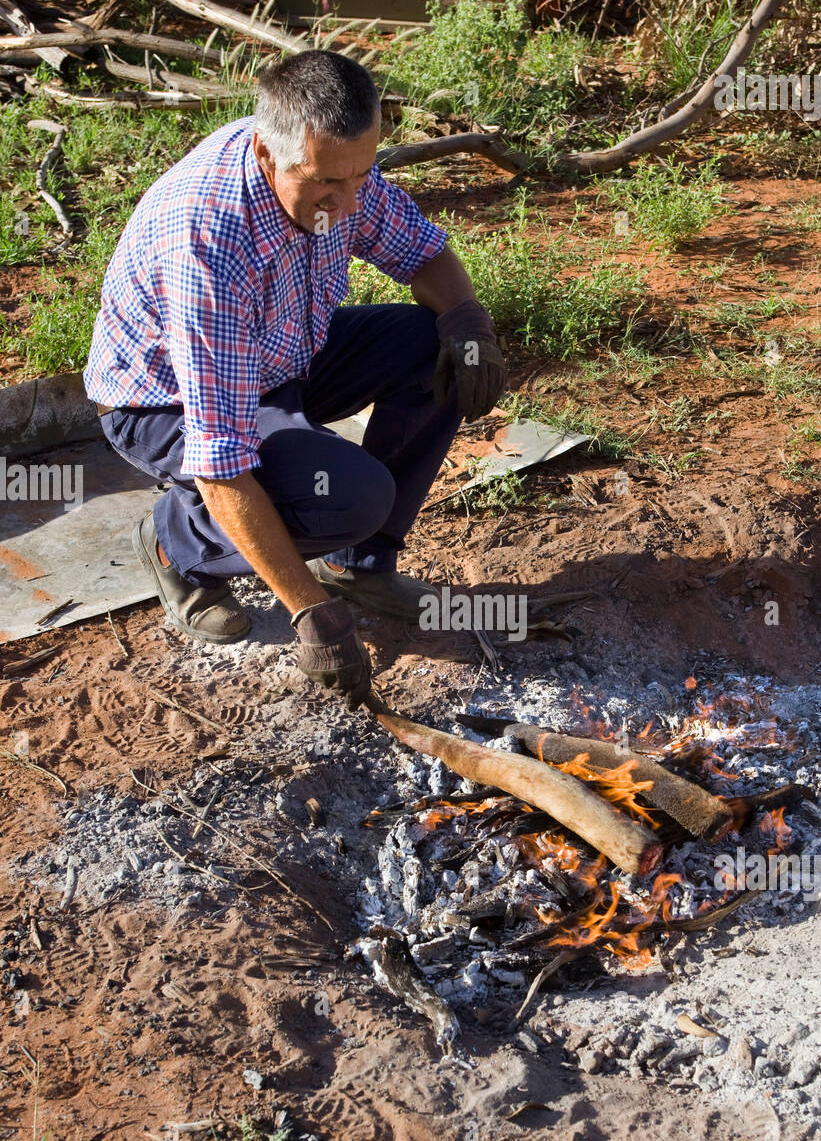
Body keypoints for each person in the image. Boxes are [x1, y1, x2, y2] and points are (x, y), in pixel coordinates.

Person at [83, 48, 507, 706]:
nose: (345, 202)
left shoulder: (337, 170)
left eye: (361, 176)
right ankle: (176, 542)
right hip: (163, 403)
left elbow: (422, 249)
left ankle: (361, 568)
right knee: (350, 497)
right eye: (325, 186)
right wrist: (312, 616)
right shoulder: (207, 244)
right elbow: (223, 456)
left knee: (433, 347)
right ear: (263, 154)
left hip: (280, 358)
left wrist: (468, 322)